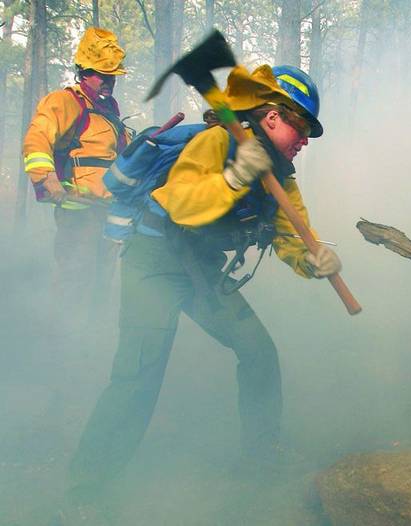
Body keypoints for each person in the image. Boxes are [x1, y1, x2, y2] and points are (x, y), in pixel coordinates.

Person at [62, 64, 340, 515]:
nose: (305, 138)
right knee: (138, 377)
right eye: (302, 126)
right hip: (154, 262)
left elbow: (292, 235)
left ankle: (260, 457)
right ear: (272, 117)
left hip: (201, 271)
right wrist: (231, 179)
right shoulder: (217, 141)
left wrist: (315, 260)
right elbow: (182, 204)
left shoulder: (280, 175)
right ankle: (83, 495)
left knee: (258, 352)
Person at [22, 28, 129, 329]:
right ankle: (56, 345)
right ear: (83, 72)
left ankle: (87, 344)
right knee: (75, 280)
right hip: (78, 213)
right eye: (101, 75)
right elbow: (36, 139)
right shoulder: (66, 102)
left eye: (112, 75)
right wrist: (47, 179)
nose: (108, 81)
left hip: (108, 213)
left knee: (101, 285)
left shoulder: (108, 113)